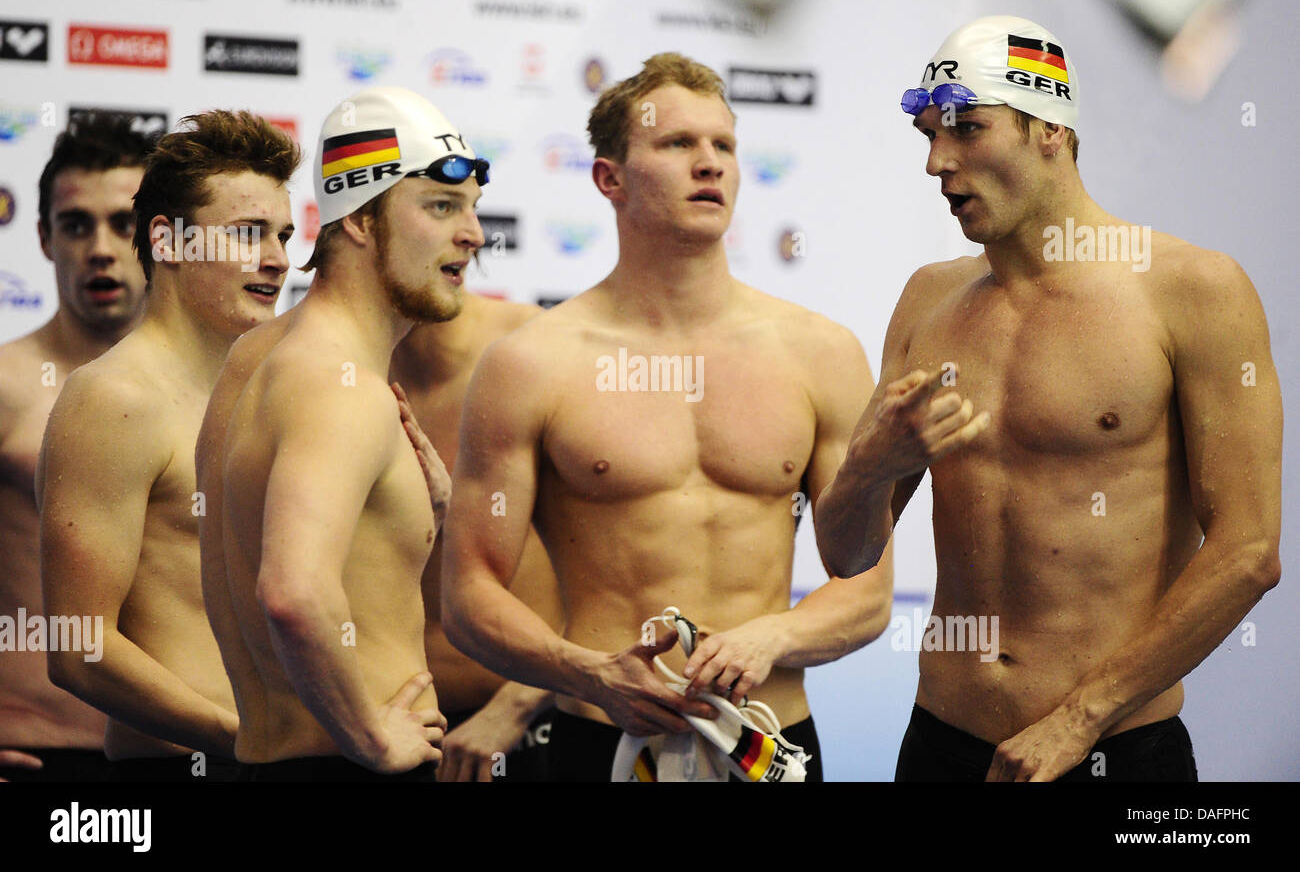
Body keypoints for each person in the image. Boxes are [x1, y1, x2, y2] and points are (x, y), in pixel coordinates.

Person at [815, 16, 1282, 782]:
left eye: (967, 128)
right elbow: (846, 553)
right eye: (929, 133)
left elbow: (1248, 552)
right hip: (939, 741)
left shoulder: (1193, 290)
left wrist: (1081, 717)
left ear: (1049, 130)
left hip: (1110, 748)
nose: (938, 161)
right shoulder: (928, 300)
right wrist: (868, 467)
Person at [441, 52, 894, 782]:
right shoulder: (532, 363)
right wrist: (588, 672)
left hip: (767, 740)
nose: (709, 163)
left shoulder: (822, 352)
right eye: (678, 144)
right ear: (609, 178)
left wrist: (774, 634)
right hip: (599, 739)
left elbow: (867, 589)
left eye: (724, 145)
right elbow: (468, 595)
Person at [202, 86, 485, 781]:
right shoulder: (342, 385)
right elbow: (291, 591)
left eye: (473, 208)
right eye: (442, 206)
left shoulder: (257, 354)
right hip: (349, 763)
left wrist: (423, 509)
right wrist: (372, 736)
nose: (473, 233)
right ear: (358, 220)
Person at [37, 110, 300, 781]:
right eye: (247, 233)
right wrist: (243, 738)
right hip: (184, 768)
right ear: (170, 240)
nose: (275, 257)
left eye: (283, 234)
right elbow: (78, 647)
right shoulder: (113, 397)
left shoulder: (266, 393)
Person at [0, 115, 154, 782]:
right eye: (75, 224)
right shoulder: (6, 386)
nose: (100, 248)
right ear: (43, 237)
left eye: (124, 224)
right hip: (40, 747)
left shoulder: (223, 392)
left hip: (188, 752)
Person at [391, 297, 565, 782]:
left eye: (460, 213)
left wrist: (516, 707)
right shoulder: (334, 368)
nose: (467, 233)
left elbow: (629, 570)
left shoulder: (537, 348)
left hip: (535, 720)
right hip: (393, 733)